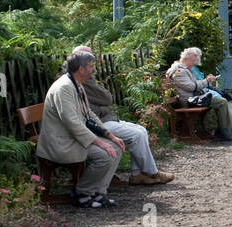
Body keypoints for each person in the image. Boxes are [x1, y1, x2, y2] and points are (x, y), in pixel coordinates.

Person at [71, 46, 173, 185]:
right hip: (99, 122)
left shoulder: (85, 78)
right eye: (90, 62)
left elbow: (103, 99)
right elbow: (107, 98)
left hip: (105, 118)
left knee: (141, 130)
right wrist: (102, 103)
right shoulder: (79, 79)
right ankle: (151, 173)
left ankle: (137, 175)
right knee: (136, 135)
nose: (93, 66)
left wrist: (102, 103)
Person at [37, 51, 125, 208]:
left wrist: (110, 137)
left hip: (73, 137)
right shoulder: (63, 88)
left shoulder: (77, 84)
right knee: (105, 155)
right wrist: (101, 143)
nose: (93, 70)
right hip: (61, 142)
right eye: (91, 66)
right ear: (81, 69)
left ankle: (98, 192)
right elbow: (72, 123)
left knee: (116, 147)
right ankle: (82, 193)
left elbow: (88, 114)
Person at [166, 49, 232, 142]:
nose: (194, 64)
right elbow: (191, 87)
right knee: (222, 102)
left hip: (193, 98)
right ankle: (223, 132)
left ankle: (224, 130)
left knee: (222, 100)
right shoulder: (179, 71)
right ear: (187, 58)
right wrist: (207, 81)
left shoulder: (184, 69)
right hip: (189, 100)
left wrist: (206, 81)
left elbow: (193, 85)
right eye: (193, 61)